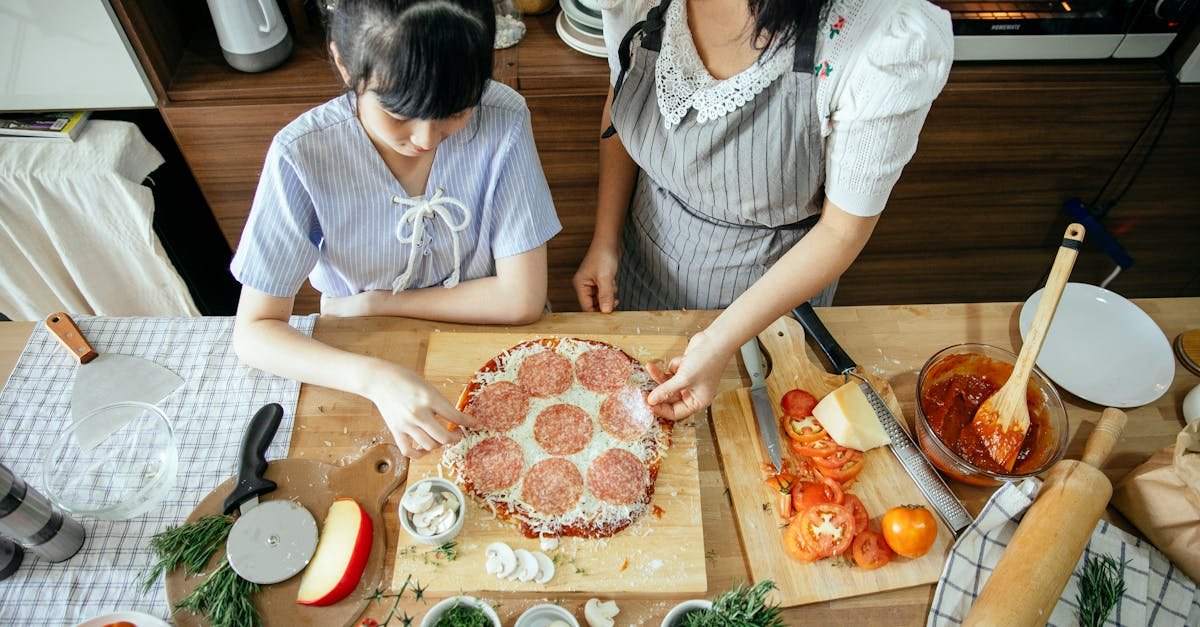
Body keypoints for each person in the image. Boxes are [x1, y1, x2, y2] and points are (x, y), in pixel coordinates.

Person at [571, 0, 953, 419]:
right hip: (641, 266)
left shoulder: (879, 41)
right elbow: (623, 101)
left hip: (767, 322)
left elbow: (842, 232)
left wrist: (719, 341)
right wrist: (605, 240)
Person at [230, 0, 561, 458]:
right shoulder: (301, 154)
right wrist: (375, 378)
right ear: (346, 67)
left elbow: (521, 300)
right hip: (360, 357)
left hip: (483, 334)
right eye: (400, 112)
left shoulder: (503, 119)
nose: (426, 139)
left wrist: (376, 303)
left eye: (456, 109)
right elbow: (254, 333)